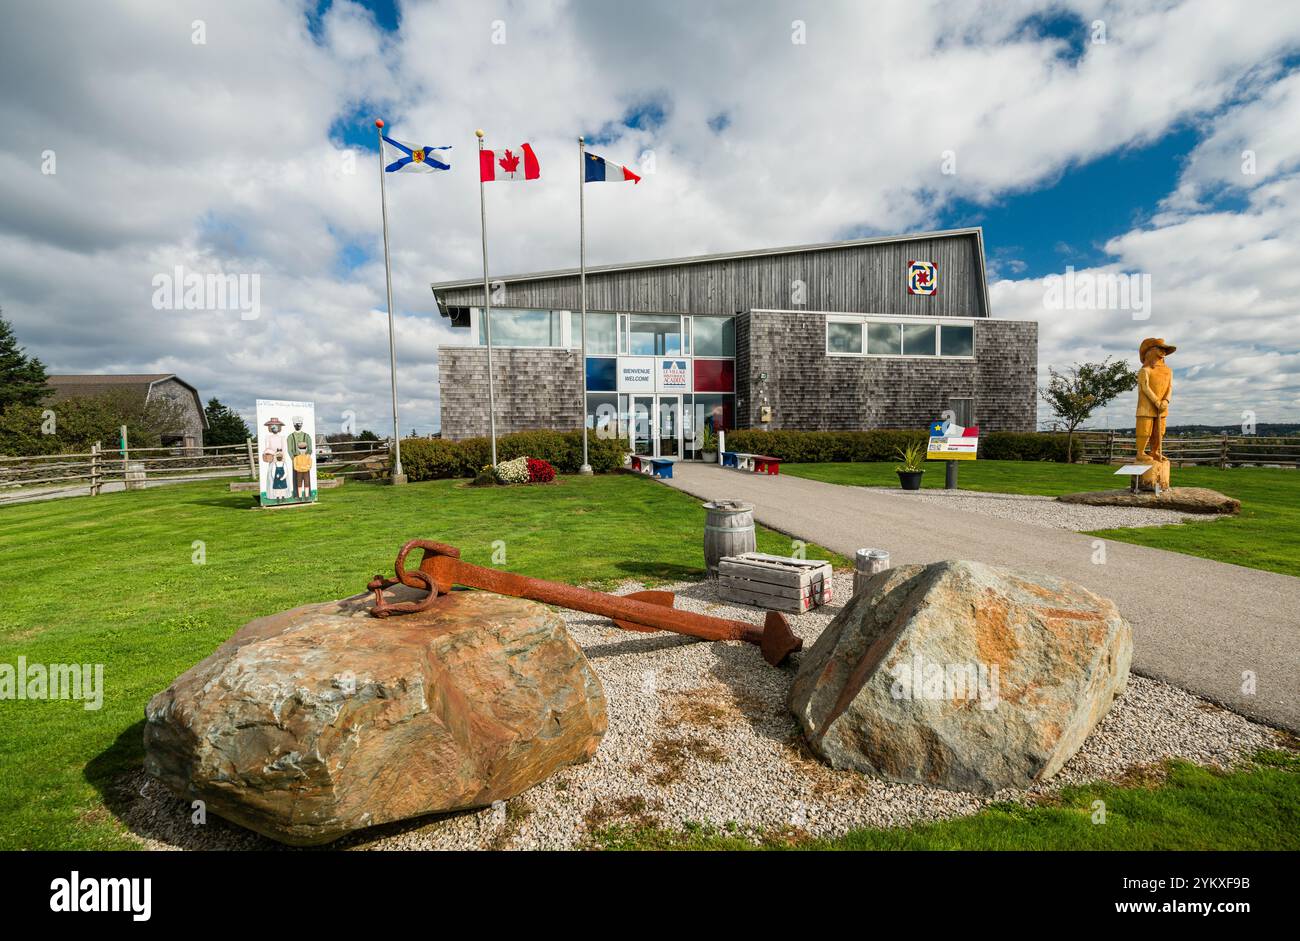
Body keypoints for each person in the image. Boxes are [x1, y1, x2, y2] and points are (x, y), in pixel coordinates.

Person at [1135, 338, 1175, 464]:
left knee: (1160, 431)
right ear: (1150, 351)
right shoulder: (1145, 370)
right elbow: (1145, 387)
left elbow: (1170, 387)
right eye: (1160, 348)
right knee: (1144, 430)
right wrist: (1156, 401)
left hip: (1162, 406)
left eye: (1164, 349)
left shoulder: (1168, 371)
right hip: (1146, 406)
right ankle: (1140, 452)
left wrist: (1166, 401)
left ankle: (1155, 451)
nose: (1163, 351)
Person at [286, 416, 314, 500]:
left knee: (306, 478)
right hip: (296, 459)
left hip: (305, 459)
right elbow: (289, 449)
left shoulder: (307, 436)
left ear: (302, 424)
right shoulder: (290, 437)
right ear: (293, 425)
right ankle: (297, 495)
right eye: (296, 424)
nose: (298, 426)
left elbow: (310, 449)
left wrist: (307, 457)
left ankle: (307, 494)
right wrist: (293, 459)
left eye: (299, 424)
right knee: (296, 478)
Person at [261, 417, 286, 498]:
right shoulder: (268, 438)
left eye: (276, 426)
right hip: (272, 459)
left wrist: (281, 456)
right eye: (272, 426)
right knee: (272, 475)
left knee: (282, 475)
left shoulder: (281, 437)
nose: (274, 428)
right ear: (270, 428)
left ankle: (282, 494)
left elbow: (283, 449)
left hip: (280, 459)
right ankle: (272, 494)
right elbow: (267, 448)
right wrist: (273, 453)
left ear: (279, 428)